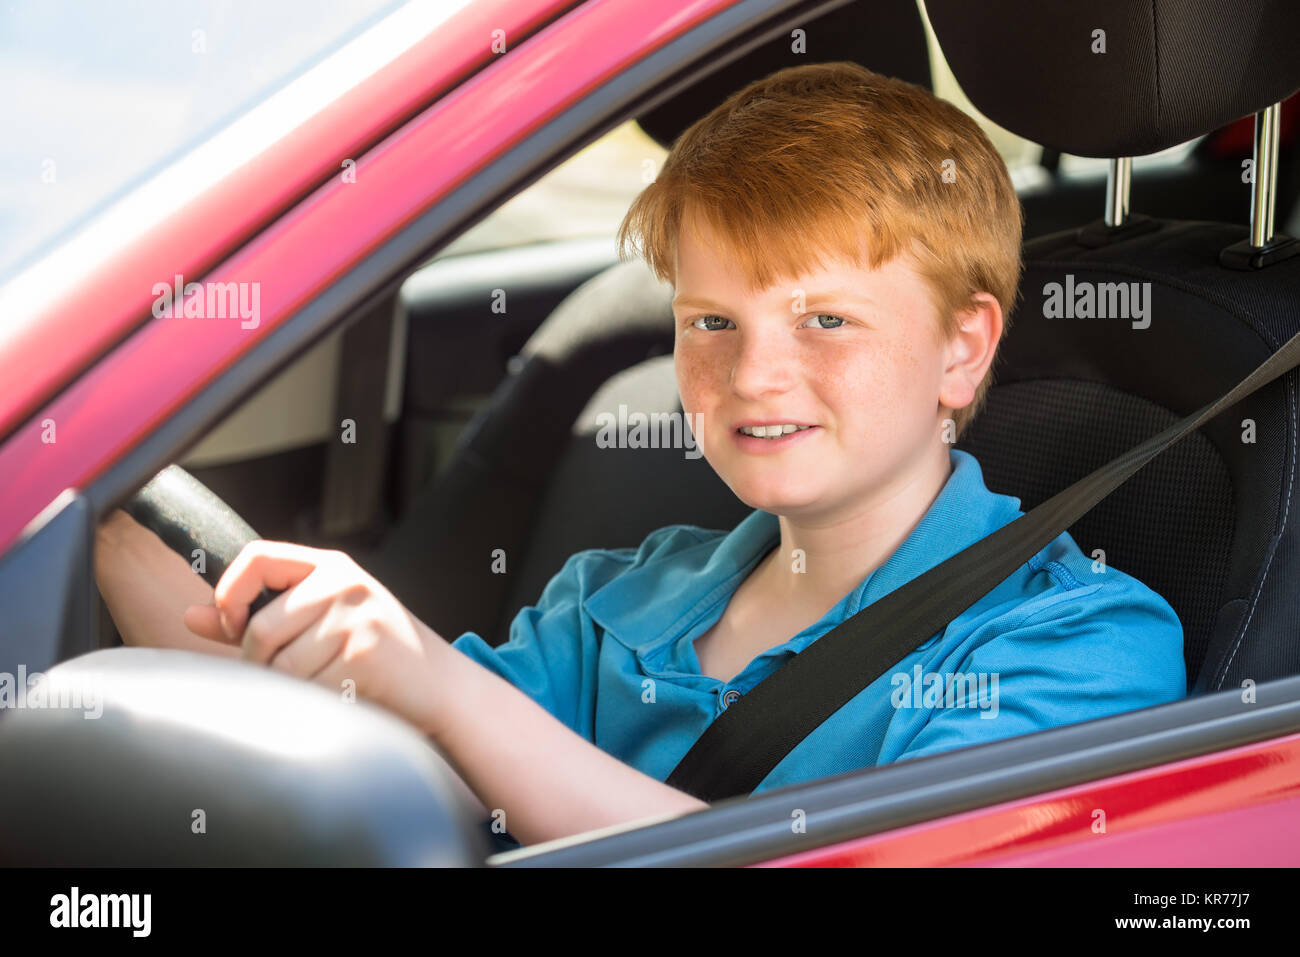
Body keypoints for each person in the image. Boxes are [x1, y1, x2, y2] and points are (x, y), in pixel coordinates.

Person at [94, 62, 1186, 848]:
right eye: (710, 322)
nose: (753, 374)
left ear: (962, 349)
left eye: (826, 322)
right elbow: (389, 770)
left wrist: (440, 685)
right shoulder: (619, 598)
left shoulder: (1079, 643)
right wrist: (98, 515)